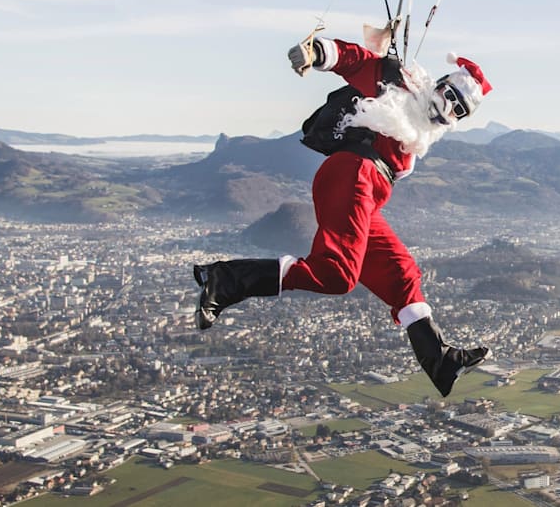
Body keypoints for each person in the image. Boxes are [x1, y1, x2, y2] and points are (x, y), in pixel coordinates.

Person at [192, 34, 493, 397]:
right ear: (441, 85)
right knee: (337, 274)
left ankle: (439, 358)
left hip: (366, 192)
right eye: (449, 97)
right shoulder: (397, 84)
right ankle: (226, 279)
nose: (448, 109)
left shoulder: (420, 133)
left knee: (401, 273)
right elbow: (355, 60)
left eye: (459, 110)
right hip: (354, 174)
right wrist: (315, 52)